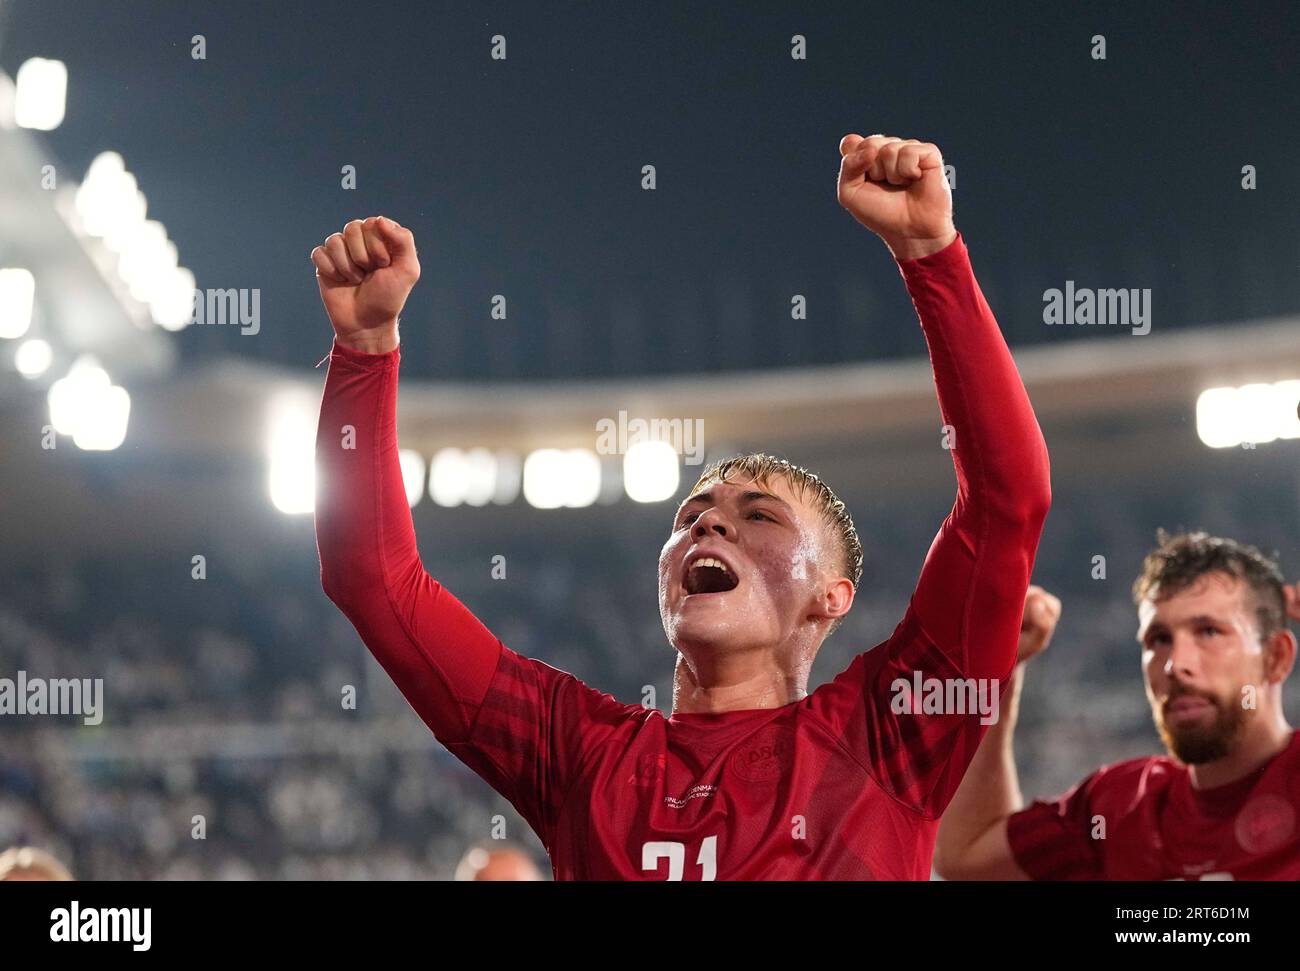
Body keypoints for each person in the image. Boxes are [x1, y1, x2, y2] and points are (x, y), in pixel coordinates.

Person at [311, 133, 1050, 879]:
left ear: (832, 596)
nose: (710, 521)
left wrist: (933, 255)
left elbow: (1007, 499)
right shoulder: (580, 754)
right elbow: (372, 577)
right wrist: (365, 348)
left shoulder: (889, 732)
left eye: (760, 515)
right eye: (691, 515)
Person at [935, 532, 1300, 880]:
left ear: (1276, 657)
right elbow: (966, 856)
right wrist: (999, 666)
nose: (1175, 664)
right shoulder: (1121, 807)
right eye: (1158, 639)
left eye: (1209, 632)